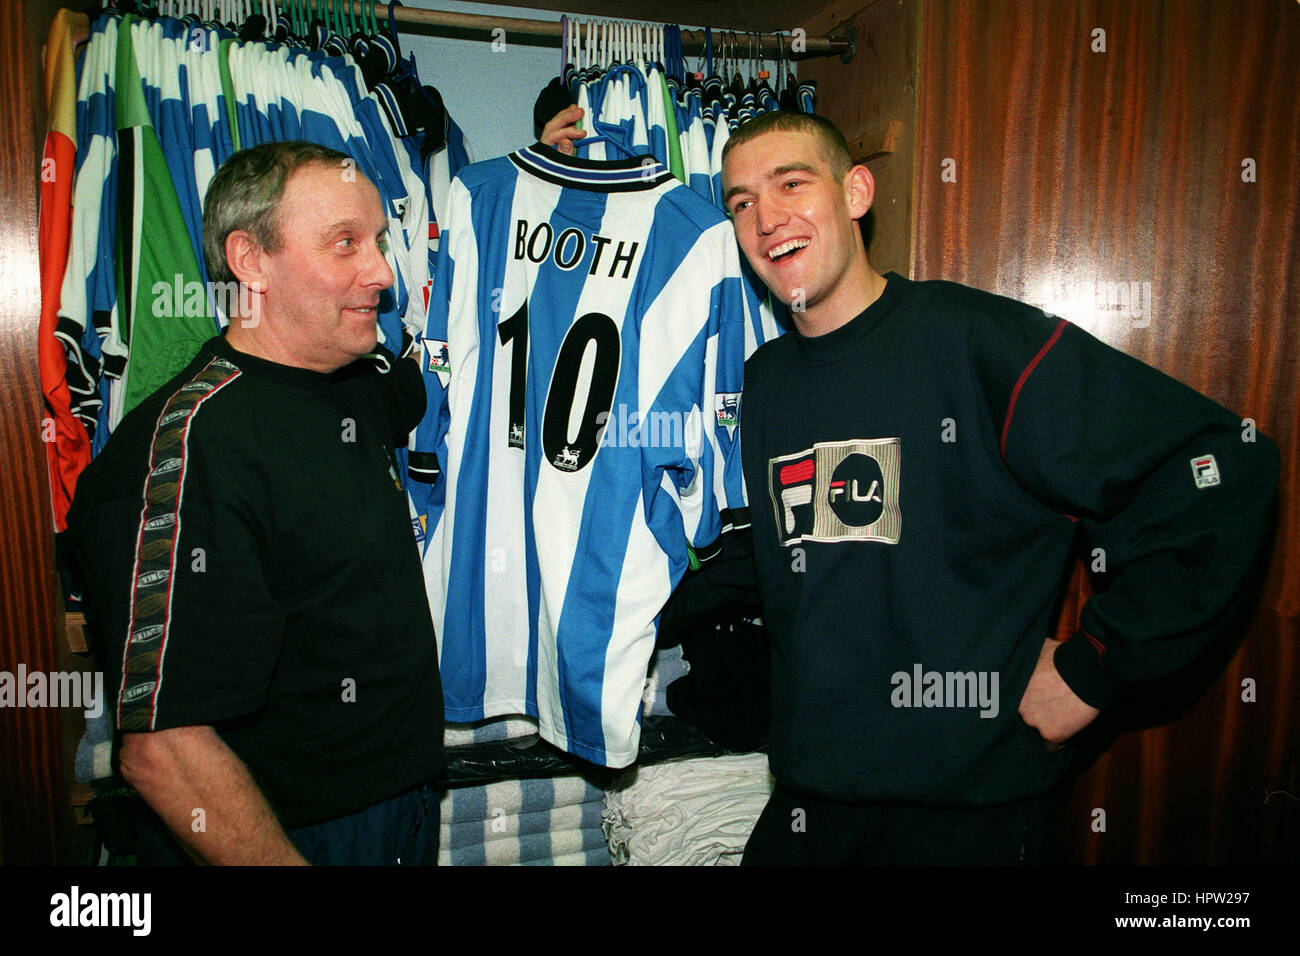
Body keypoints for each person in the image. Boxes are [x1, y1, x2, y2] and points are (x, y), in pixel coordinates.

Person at [655, 110, 1280, 864]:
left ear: (856, 192)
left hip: (968, 812)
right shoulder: (768, 381)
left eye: (792, 183)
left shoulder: (976, 341)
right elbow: (794, 554)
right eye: (742, 202)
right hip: (812, 798)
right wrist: (600, 613)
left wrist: (1095, 666)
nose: (767, 218)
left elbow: (1219, 468)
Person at [65, 142, 444, 865]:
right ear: (250, 260)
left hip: (403, 808)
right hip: (290, 835)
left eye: (379, 242)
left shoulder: (351, 383)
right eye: (346, 245)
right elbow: (163, 751)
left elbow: (426, 377)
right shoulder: (184, 453)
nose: (383, 273)